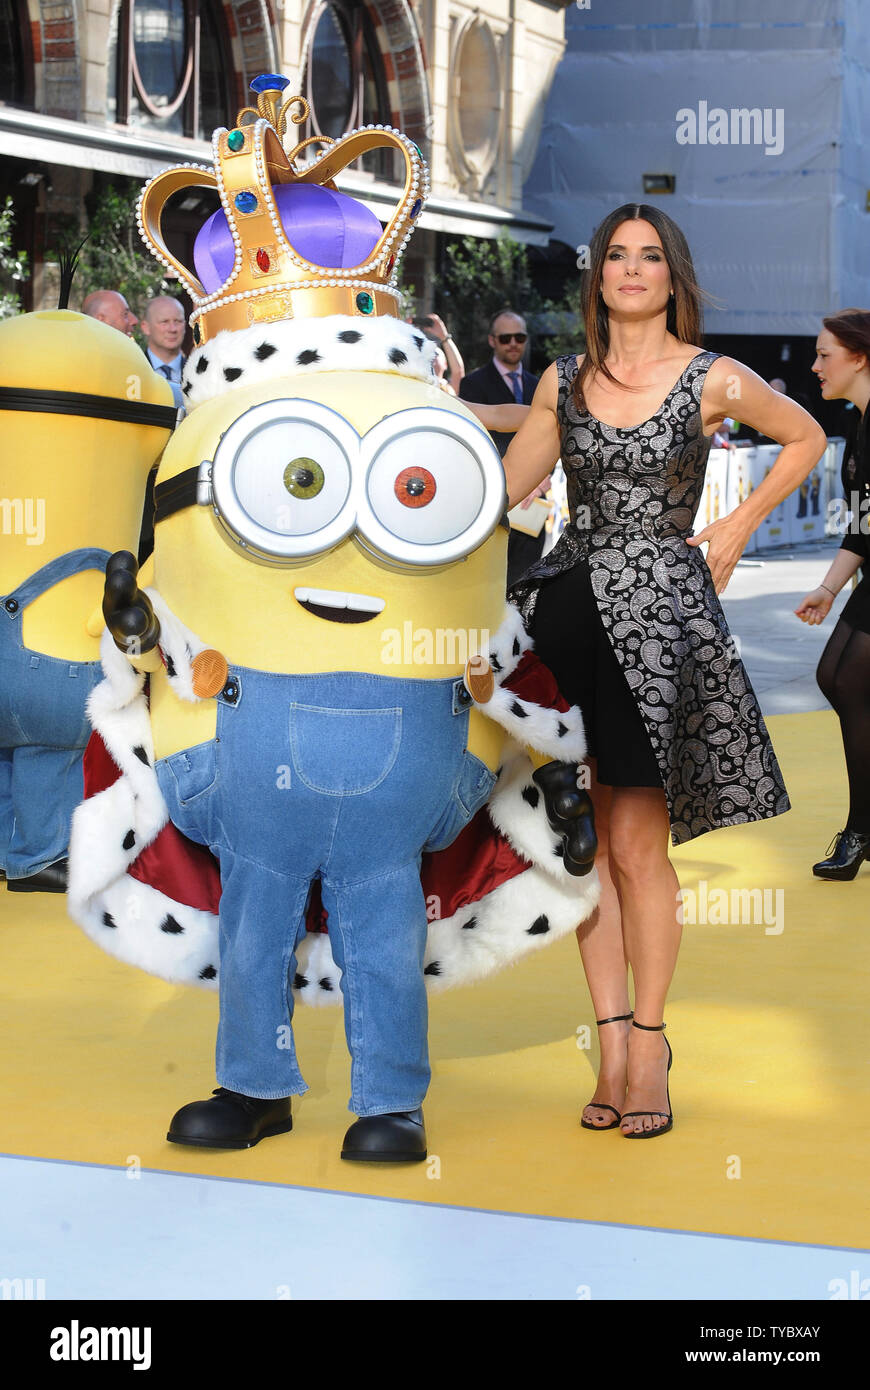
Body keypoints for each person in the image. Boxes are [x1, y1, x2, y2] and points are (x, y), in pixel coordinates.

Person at [503, 202, 826, 1138]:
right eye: (617, 256)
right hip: (565, 617)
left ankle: (650, 1043)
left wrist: (738, 521)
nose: (632, 270)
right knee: (586, 850)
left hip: (660, 626)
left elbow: (803, 435)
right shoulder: (562, 381)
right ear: (598, 274)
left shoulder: (713, 377)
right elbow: (505, 491)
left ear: (672, 274)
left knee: (640, 849)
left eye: (650, 257)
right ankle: (607, 1046)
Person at [796, 309, 870, 878]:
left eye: (825, 354)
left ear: (859, 357)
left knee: (845, 679)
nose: (815, 365)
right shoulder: (861, 424)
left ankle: (860, 829)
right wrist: (827, 587)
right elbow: (863, 525)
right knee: (835, 678)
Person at [460, 309, 547, 583]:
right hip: (494, 493)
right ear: (492, 341)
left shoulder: (542, 384)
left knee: (526, 580)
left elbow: (553, 432)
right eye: (505, 337)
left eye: (519, 337)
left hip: (536, 503)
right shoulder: (472, 384)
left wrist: (542, 476)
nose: (513, 343)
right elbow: (478, 436)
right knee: (489, 582)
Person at [140, 296, 187, 413]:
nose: (172, 329)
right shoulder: (134, 372)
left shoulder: (199, 374)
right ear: (146, 327)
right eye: (164, 322)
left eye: (178, 321)